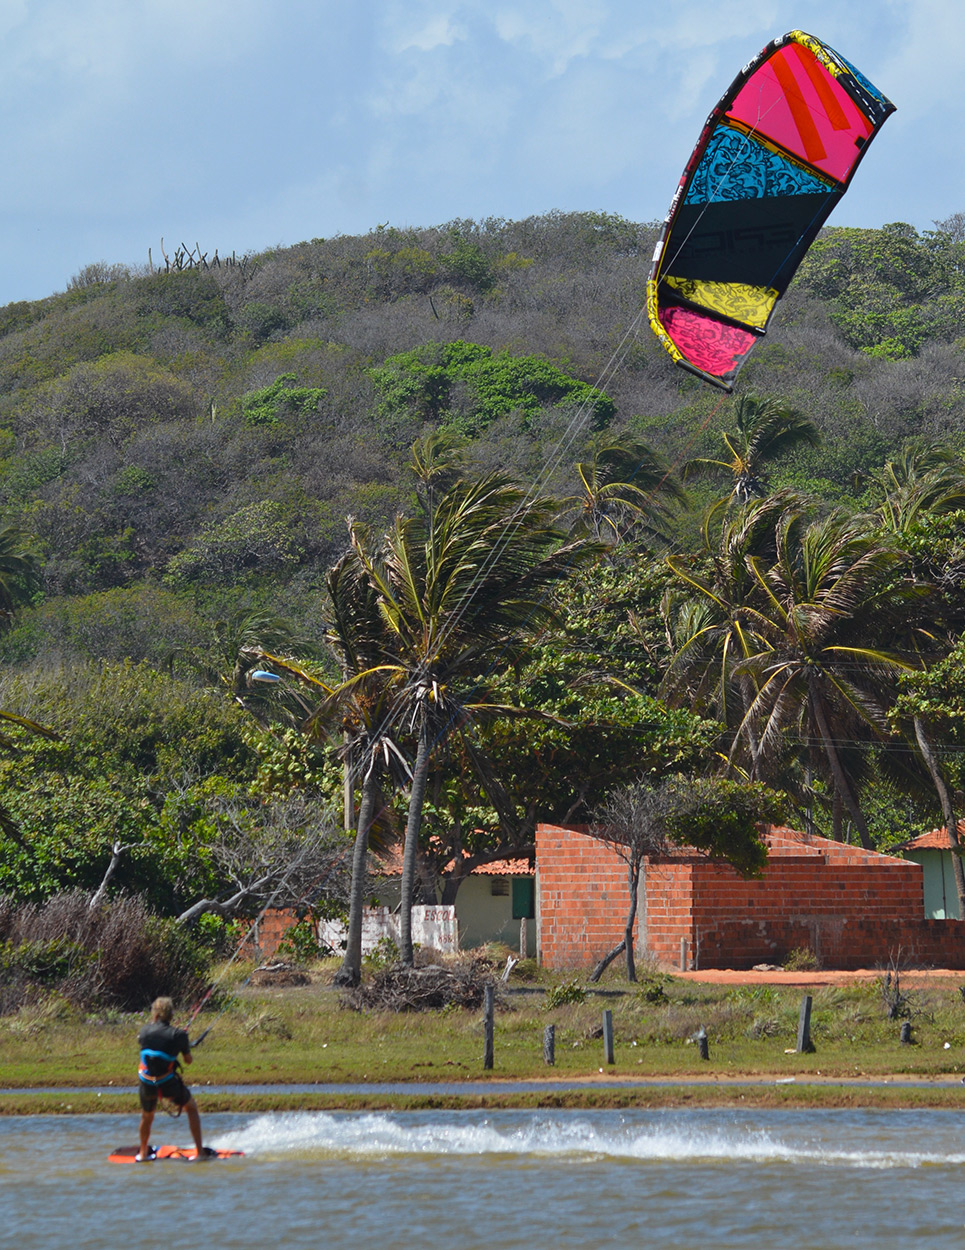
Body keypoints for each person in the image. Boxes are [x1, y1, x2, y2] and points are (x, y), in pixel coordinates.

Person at [136, 996, 213, 1161]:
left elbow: (150, 1043)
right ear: (171, 1016)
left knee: (147, 1115)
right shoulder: (178, 1035)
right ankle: (199, 1153)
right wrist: (183, 1043)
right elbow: (188, 1061)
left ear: (155, 1015)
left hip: (147, 1083)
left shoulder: (144, 1031)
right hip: (167, 1083)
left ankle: (142, 1153)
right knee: (191, 1107)